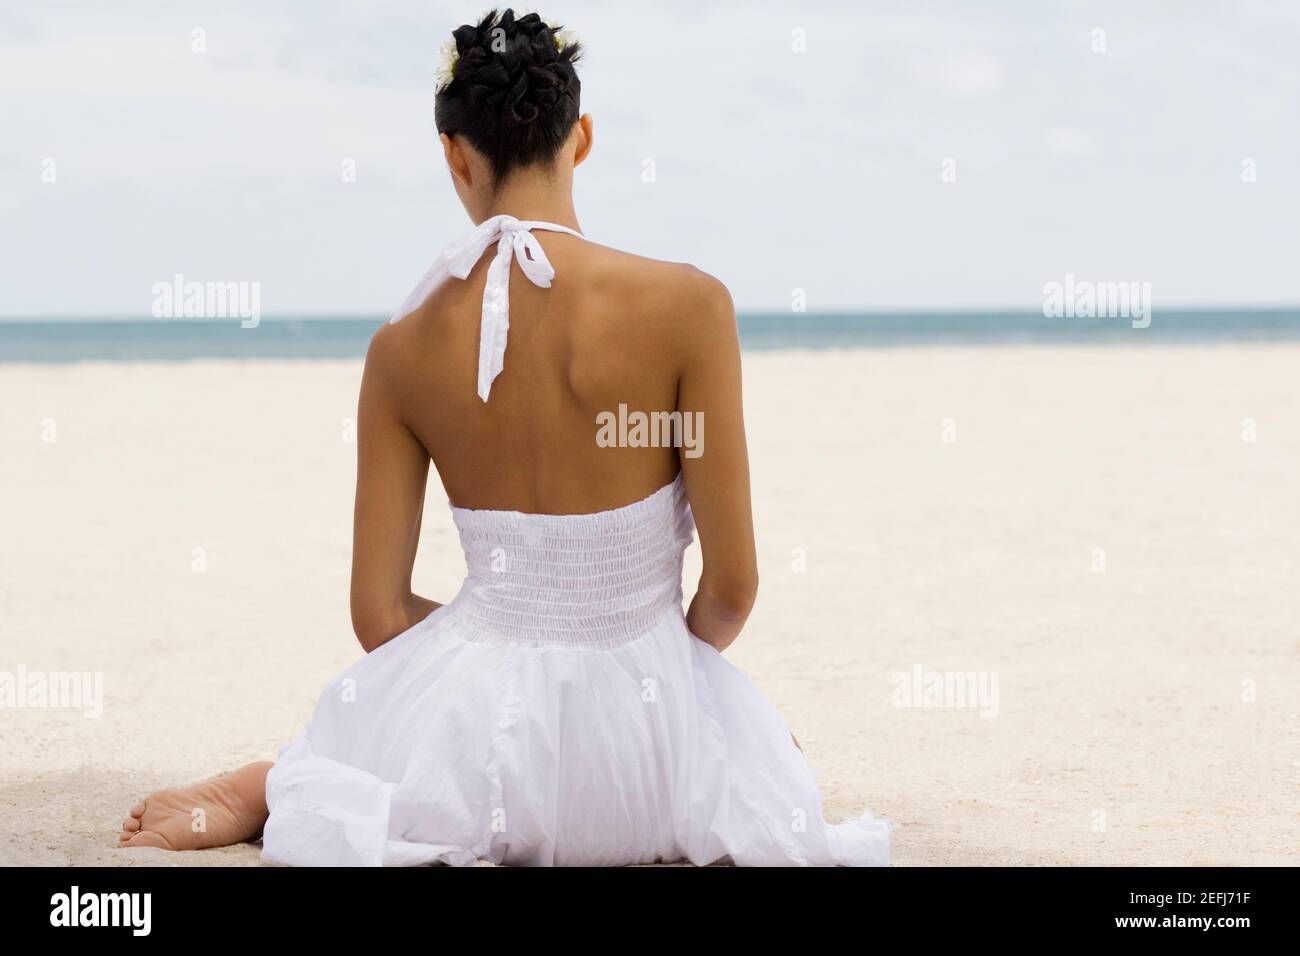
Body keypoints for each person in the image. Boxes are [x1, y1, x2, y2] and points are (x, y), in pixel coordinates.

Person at [119, 8, 890, 866]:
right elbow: (733, 589)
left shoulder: (400, 350)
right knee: (770, 781)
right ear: (582, 137)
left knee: (403, 771)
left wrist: (500, 659)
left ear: (455, 155)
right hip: (648, 753)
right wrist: (668, 683)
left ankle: (273, 784)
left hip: (487, 752)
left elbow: (378, 616)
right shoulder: (690, 306)